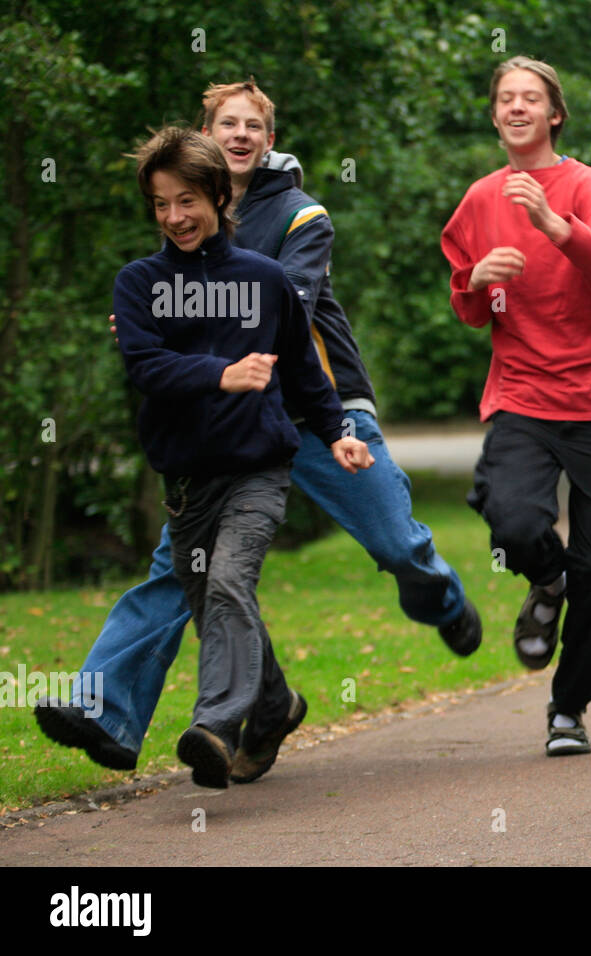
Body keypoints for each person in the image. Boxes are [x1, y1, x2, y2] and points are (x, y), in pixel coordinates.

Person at [35, 79, 479, 782]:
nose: (240, 134)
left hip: (318, 413)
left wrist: (167, 333)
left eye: (253, 126)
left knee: (396, 543)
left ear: (270, 141)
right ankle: (111, 707)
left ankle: (442, 597)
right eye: (225, 124)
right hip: (227, 429)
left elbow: (281, 320)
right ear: (204, 139)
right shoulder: (183, 217)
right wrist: (155, 334)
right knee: (185, 577)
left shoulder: (303, 216)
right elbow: (163, 334)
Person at [112, 126, 375, 787]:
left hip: (258, 465)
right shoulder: (139, 283)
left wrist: (338, 428)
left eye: (187, 201)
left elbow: (307, 376)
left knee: (231, 583)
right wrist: (219, 373)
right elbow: (145, 366)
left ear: (218, 200)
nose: (175, 217)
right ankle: (273, 705)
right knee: (215, 606)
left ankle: (215, 725)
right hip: (186, 482)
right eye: (161, 204)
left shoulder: (265, 280)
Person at [440, 56, 591, 757]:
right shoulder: (478, 199)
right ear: (495, 115)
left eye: (532, 98)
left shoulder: (587, 185)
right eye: (507, 99)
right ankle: (545, 575)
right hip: (523, 393)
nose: (519, 107)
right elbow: (469, 308)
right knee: (513, 515)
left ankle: (569, 706)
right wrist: (476, 278)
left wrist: (559, 228)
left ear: (554, 114)